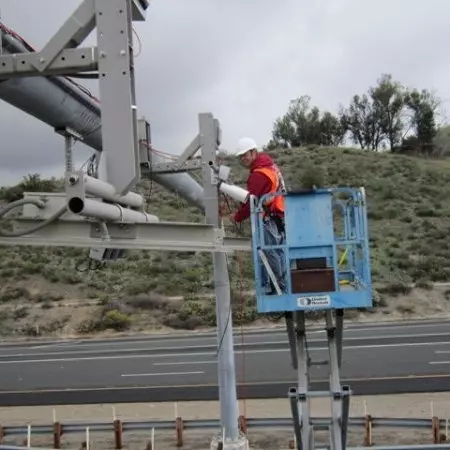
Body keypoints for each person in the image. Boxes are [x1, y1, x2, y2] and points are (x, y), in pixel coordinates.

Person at [228, 137, 287, 295]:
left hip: (269, 218)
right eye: (240, 156)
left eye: (245, 155)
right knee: (278, 250)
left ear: (253, 152)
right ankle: (282, 284)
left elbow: (252, 202)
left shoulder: (259, 174)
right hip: (278, 215)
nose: (242, 159)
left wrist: (237, 216)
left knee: (270, 251)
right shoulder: (270, 166)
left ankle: (278, 286)